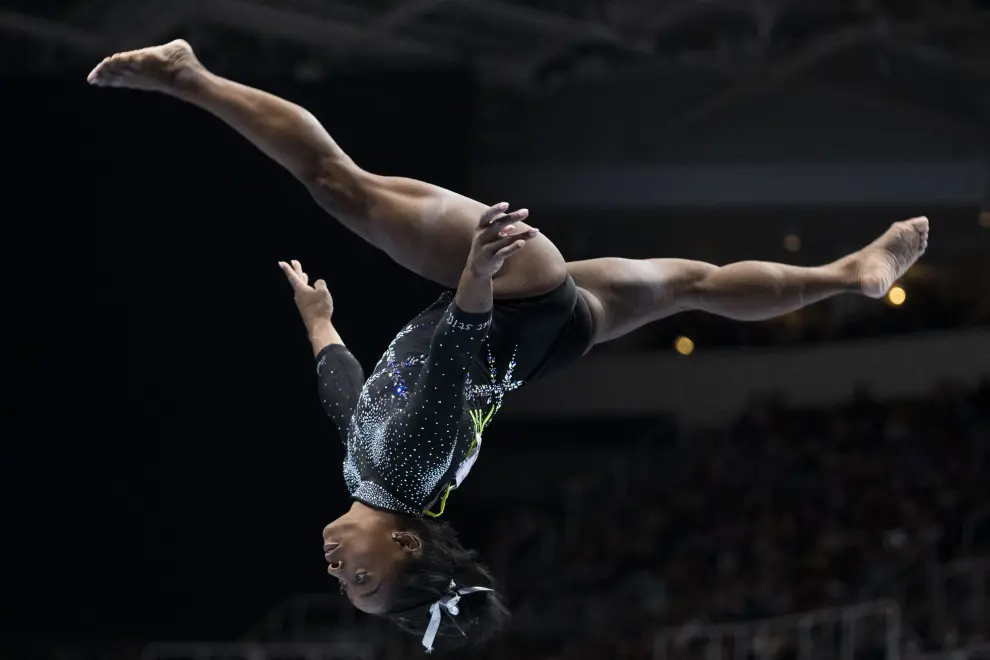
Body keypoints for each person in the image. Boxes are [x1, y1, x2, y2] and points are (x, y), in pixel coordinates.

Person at [87, 40, 930, 653]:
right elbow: (451, 360)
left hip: (551, 339)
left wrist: (318, 323)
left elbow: (347, 400)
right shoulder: (410, 470)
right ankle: (189, 76)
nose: (340, 570)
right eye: (364, 578)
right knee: (340, 186)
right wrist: (479, 275)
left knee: (695, 286)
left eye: (346, 586)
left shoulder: (377, 478)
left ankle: (849, 273)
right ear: (406, 547)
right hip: (509, 300)